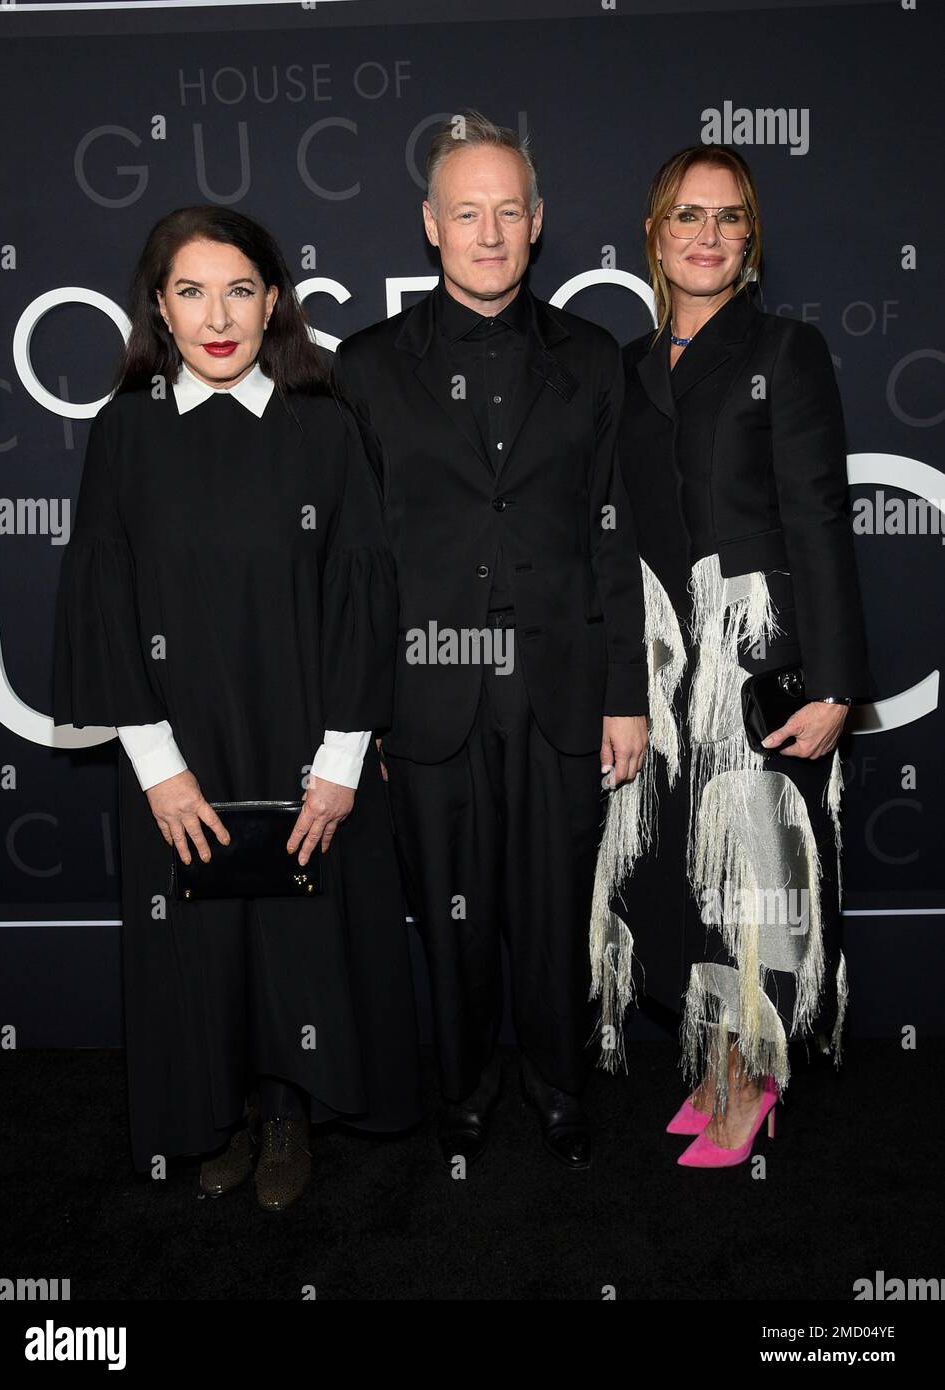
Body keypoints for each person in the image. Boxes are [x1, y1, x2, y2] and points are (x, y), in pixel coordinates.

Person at [52, 206, 420, 1210]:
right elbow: (104, 602)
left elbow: (361, 595)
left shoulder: (326, 428)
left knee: (300, 939)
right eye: (191, 291)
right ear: (159, 308)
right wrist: (158, 766)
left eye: (241, 290)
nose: (218, 317)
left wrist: (341, 764)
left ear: (273, 303)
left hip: (305, 736)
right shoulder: (124, 433)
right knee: (196, 944)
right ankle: (212, 1111)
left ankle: (290, 1114)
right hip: (174, 746)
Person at [334, 111, 648, 1171]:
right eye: (465, 212)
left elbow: (614, 532)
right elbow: (358, 556)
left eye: (507, 210)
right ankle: (463, 1086)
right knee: (450, 909)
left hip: (558, 682)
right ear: (430, 225)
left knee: (556, 906)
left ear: (538, 221)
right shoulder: (367, 368)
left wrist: (626, 691)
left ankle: (558, 1084)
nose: (488, 231)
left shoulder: (595, 360)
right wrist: (362, 706)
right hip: (429, 688)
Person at [593, 144, 869, 1166]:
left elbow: (821, 520)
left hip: (755, 656)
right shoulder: (622, 367)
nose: (707, 236)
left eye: (728, 219)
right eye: (686, 217)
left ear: (749, 241)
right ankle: (713, 1061)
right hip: (663, 657)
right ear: (655, 235)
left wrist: (837, 683)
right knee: (678, 867)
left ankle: (748, 1077)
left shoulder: (784, 351)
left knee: (751, 864)